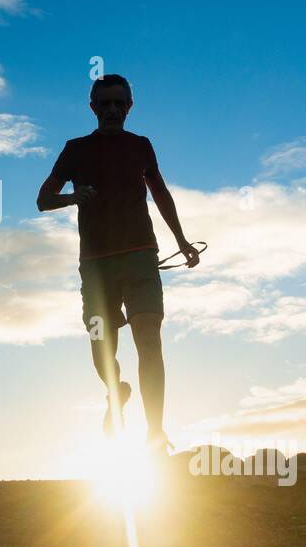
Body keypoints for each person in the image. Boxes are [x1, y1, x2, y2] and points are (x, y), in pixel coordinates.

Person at [36, 74, 199, 452]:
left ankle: (155, 434)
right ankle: (115, 393)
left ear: (129, 106)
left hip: (141, 257)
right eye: (104, 104)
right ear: (93, 108)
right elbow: (43, 199)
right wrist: (73, 197)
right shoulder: (75, 149)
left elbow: (160, 194)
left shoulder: (141, 146)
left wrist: (182, 241)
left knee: (149, 340)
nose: (112, 110)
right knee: (100, 346)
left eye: (119, 103)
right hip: (95, 267)